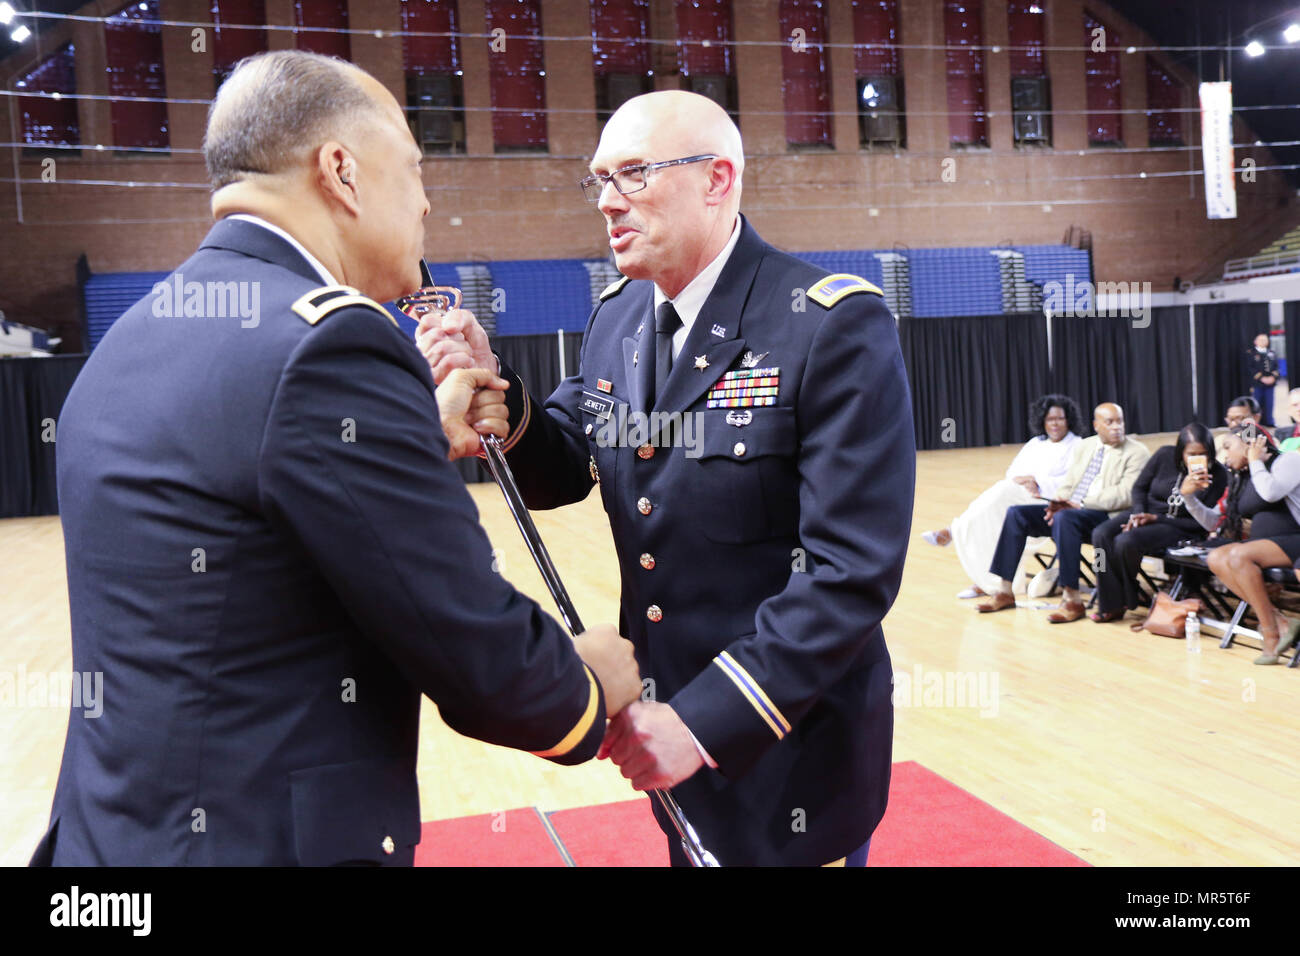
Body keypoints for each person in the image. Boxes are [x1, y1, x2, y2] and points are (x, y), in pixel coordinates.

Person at [30, 51, 641, 867]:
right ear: (342, 171)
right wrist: (589, 683)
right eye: (415, 171)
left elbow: (253, 513)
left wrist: (412, 440)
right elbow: (479, 658)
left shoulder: (139, 334)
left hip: (115, 844)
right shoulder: (329, 341)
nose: (425, 202)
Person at [418, 91, 914, 866]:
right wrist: (495, 387)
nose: (608, 202)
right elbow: (571, 461)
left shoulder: (827, 324)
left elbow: (851, 573)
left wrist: (707, 720)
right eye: (599, 181)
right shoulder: (619, 316)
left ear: (718, 180)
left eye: (634, 175)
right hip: (662, 730)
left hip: (784, 743)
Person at [976, 403, 1150, 623]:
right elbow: (1070, 483)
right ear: (1096, 425)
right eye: (1110, 422)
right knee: (1016, 514)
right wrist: (1057, 502)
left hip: (1106, 515)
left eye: (1120, 421)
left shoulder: (1137, 452)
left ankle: (1072, 599)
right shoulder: (1086, 446)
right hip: (1072, 510)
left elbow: (1125, 494)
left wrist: (1080, 504)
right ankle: (1004, 590)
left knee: (1065, 518)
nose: (1117, 427)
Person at [923, 394, 1082, 599]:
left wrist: (1037, 482)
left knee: (1001, 493)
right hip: (1020, 496)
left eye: (1060, 418)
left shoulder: (1077, 445)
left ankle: (954, 531)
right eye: (1050, 419)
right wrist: (1027, 480)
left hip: (1050, 503)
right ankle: (987, 581)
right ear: (1042, 420)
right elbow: (1013, 472)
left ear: (1068, 419)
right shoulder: (1035, 443)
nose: (1055, 423)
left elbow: (1073, 481)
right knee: (992, 518)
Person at [1088, 423, 1226, 622]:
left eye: (1203, 454)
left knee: (1125, 542)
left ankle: (1121, 600)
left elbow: (1202, 525)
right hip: (1145, 513)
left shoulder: (1219, 475)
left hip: (1178, 526)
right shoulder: (1163, 456)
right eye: (1191, 454)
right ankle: (1111, 594)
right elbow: (1139, 488)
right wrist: (1138, 513)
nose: (1197, 459)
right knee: (1099, 535)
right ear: (1180, 452)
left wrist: (1156, 518)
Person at [1194, 425, 1300, 664]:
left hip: (1296, 539)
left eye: (1228, 447)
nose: (1225, 456)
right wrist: (1190, 498)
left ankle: (1270, 633)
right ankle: (1280, 621)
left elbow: (1269, 493)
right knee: (1215, 558)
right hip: (1276, 543)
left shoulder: (1289, 460)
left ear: (1248, 443)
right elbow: (1218, 518)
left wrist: (1254, 460)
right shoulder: (1245, 475)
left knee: (1238, 557)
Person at [1246, 333, 1279, 428]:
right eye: (1260, 340)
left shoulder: (1272, 352)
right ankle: (1256, 423)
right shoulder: (1251, 353)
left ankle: (1270, 421)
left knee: (1269, 403)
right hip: (1257, 384)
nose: (1263, 342)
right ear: (1255, 342)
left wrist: (1273, 377)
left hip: (1270, 384)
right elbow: (1250, 368)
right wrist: (1262, 378)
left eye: (1265, 340)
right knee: (1256, 403)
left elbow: (1276, 367)